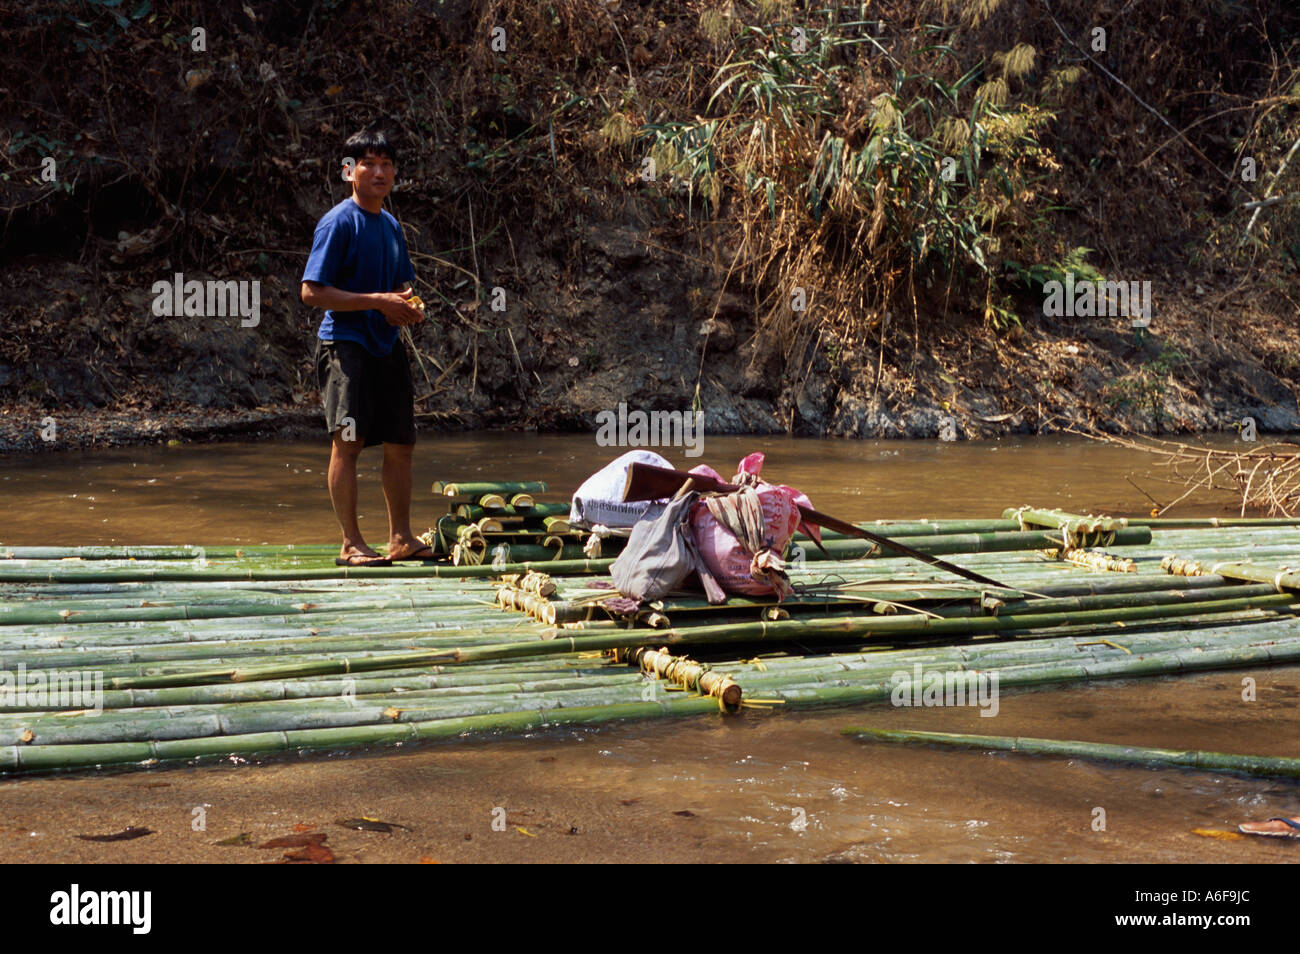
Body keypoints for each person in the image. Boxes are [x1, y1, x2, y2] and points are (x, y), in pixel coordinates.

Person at [300, 129, 434, 566]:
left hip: (385, 343)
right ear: (349, 171)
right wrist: (377, 302)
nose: (379, 172)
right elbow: (312, 292)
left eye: (386, 165)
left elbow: (400, 282)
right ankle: (351, 543)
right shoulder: (338, 222)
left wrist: (408, 302)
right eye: (369, 163)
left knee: (401, 442)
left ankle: (400, 538)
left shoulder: (391, 224)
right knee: (349, 442)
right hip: (345, 344)